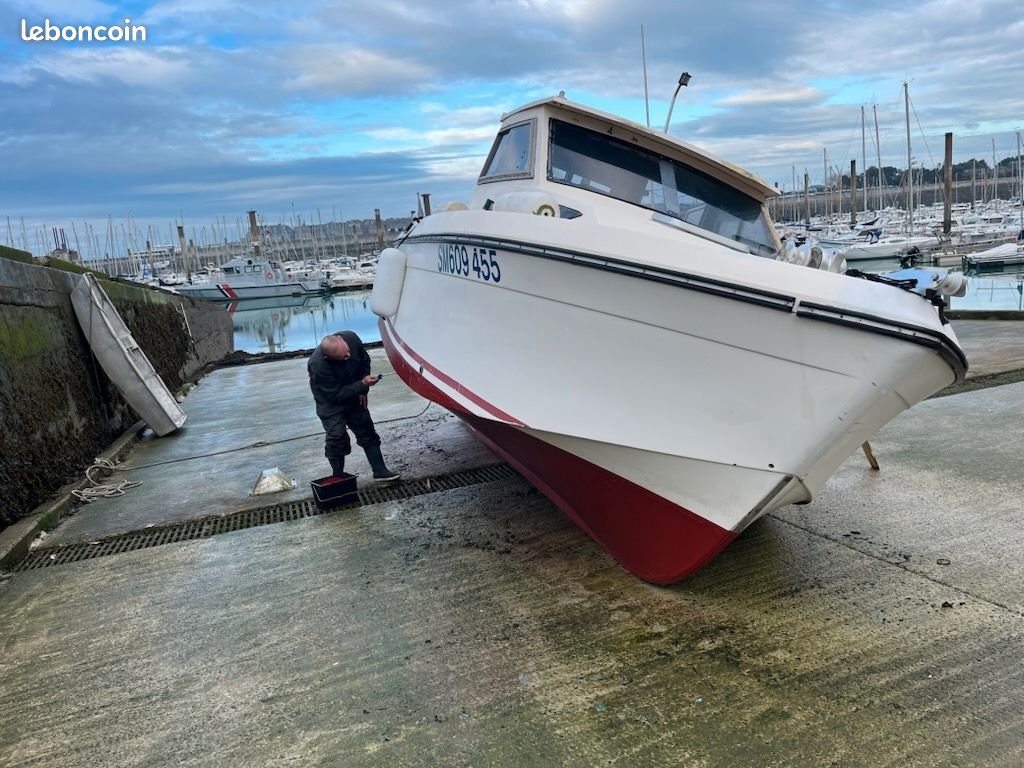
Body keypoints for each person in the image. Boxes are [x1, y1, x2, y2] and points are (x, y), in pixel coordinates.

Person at [308, 331, 400, 482]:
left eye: (348, 352)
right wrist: (361, 384)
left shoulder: (351, 338)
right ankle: (338, 476)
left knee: (365, 428)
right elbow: (335, 395)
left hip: (355, 390)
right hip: (330, 400)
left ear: (342, 340)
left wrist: (363, 389)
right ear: (328, 357)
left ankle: (380, 471)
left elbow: (364, 361)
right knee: (336, 436)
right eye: (344, 357)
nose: (348, 356)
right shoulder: (317, 365)